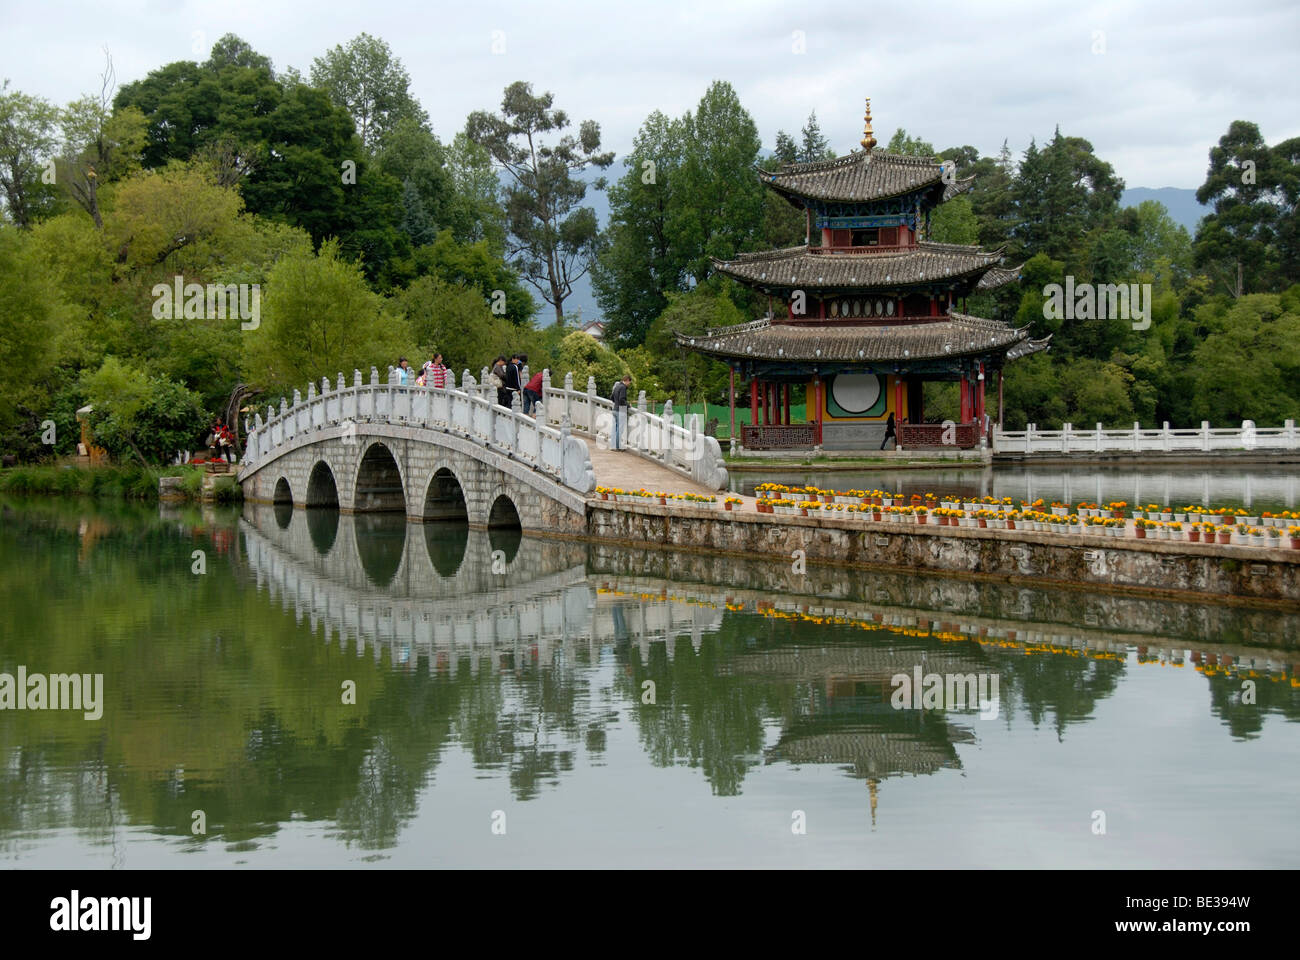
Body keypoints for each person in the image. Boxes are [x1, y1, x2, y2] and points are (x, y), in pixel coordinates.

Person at [610, 374, 631, 450]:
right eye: (629, 382)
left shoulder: (617, 386)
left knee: (614, 429)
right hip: (621, 410)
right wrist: (628, 405)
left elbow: (611, 398)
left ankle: (613, 446)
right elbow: (622, 399)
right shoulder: (623, 387)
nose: (629, 384)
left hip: (615, 409)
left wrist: (616, 402)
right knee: (620, 429)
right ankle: (618, 447)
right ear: (627, 380)